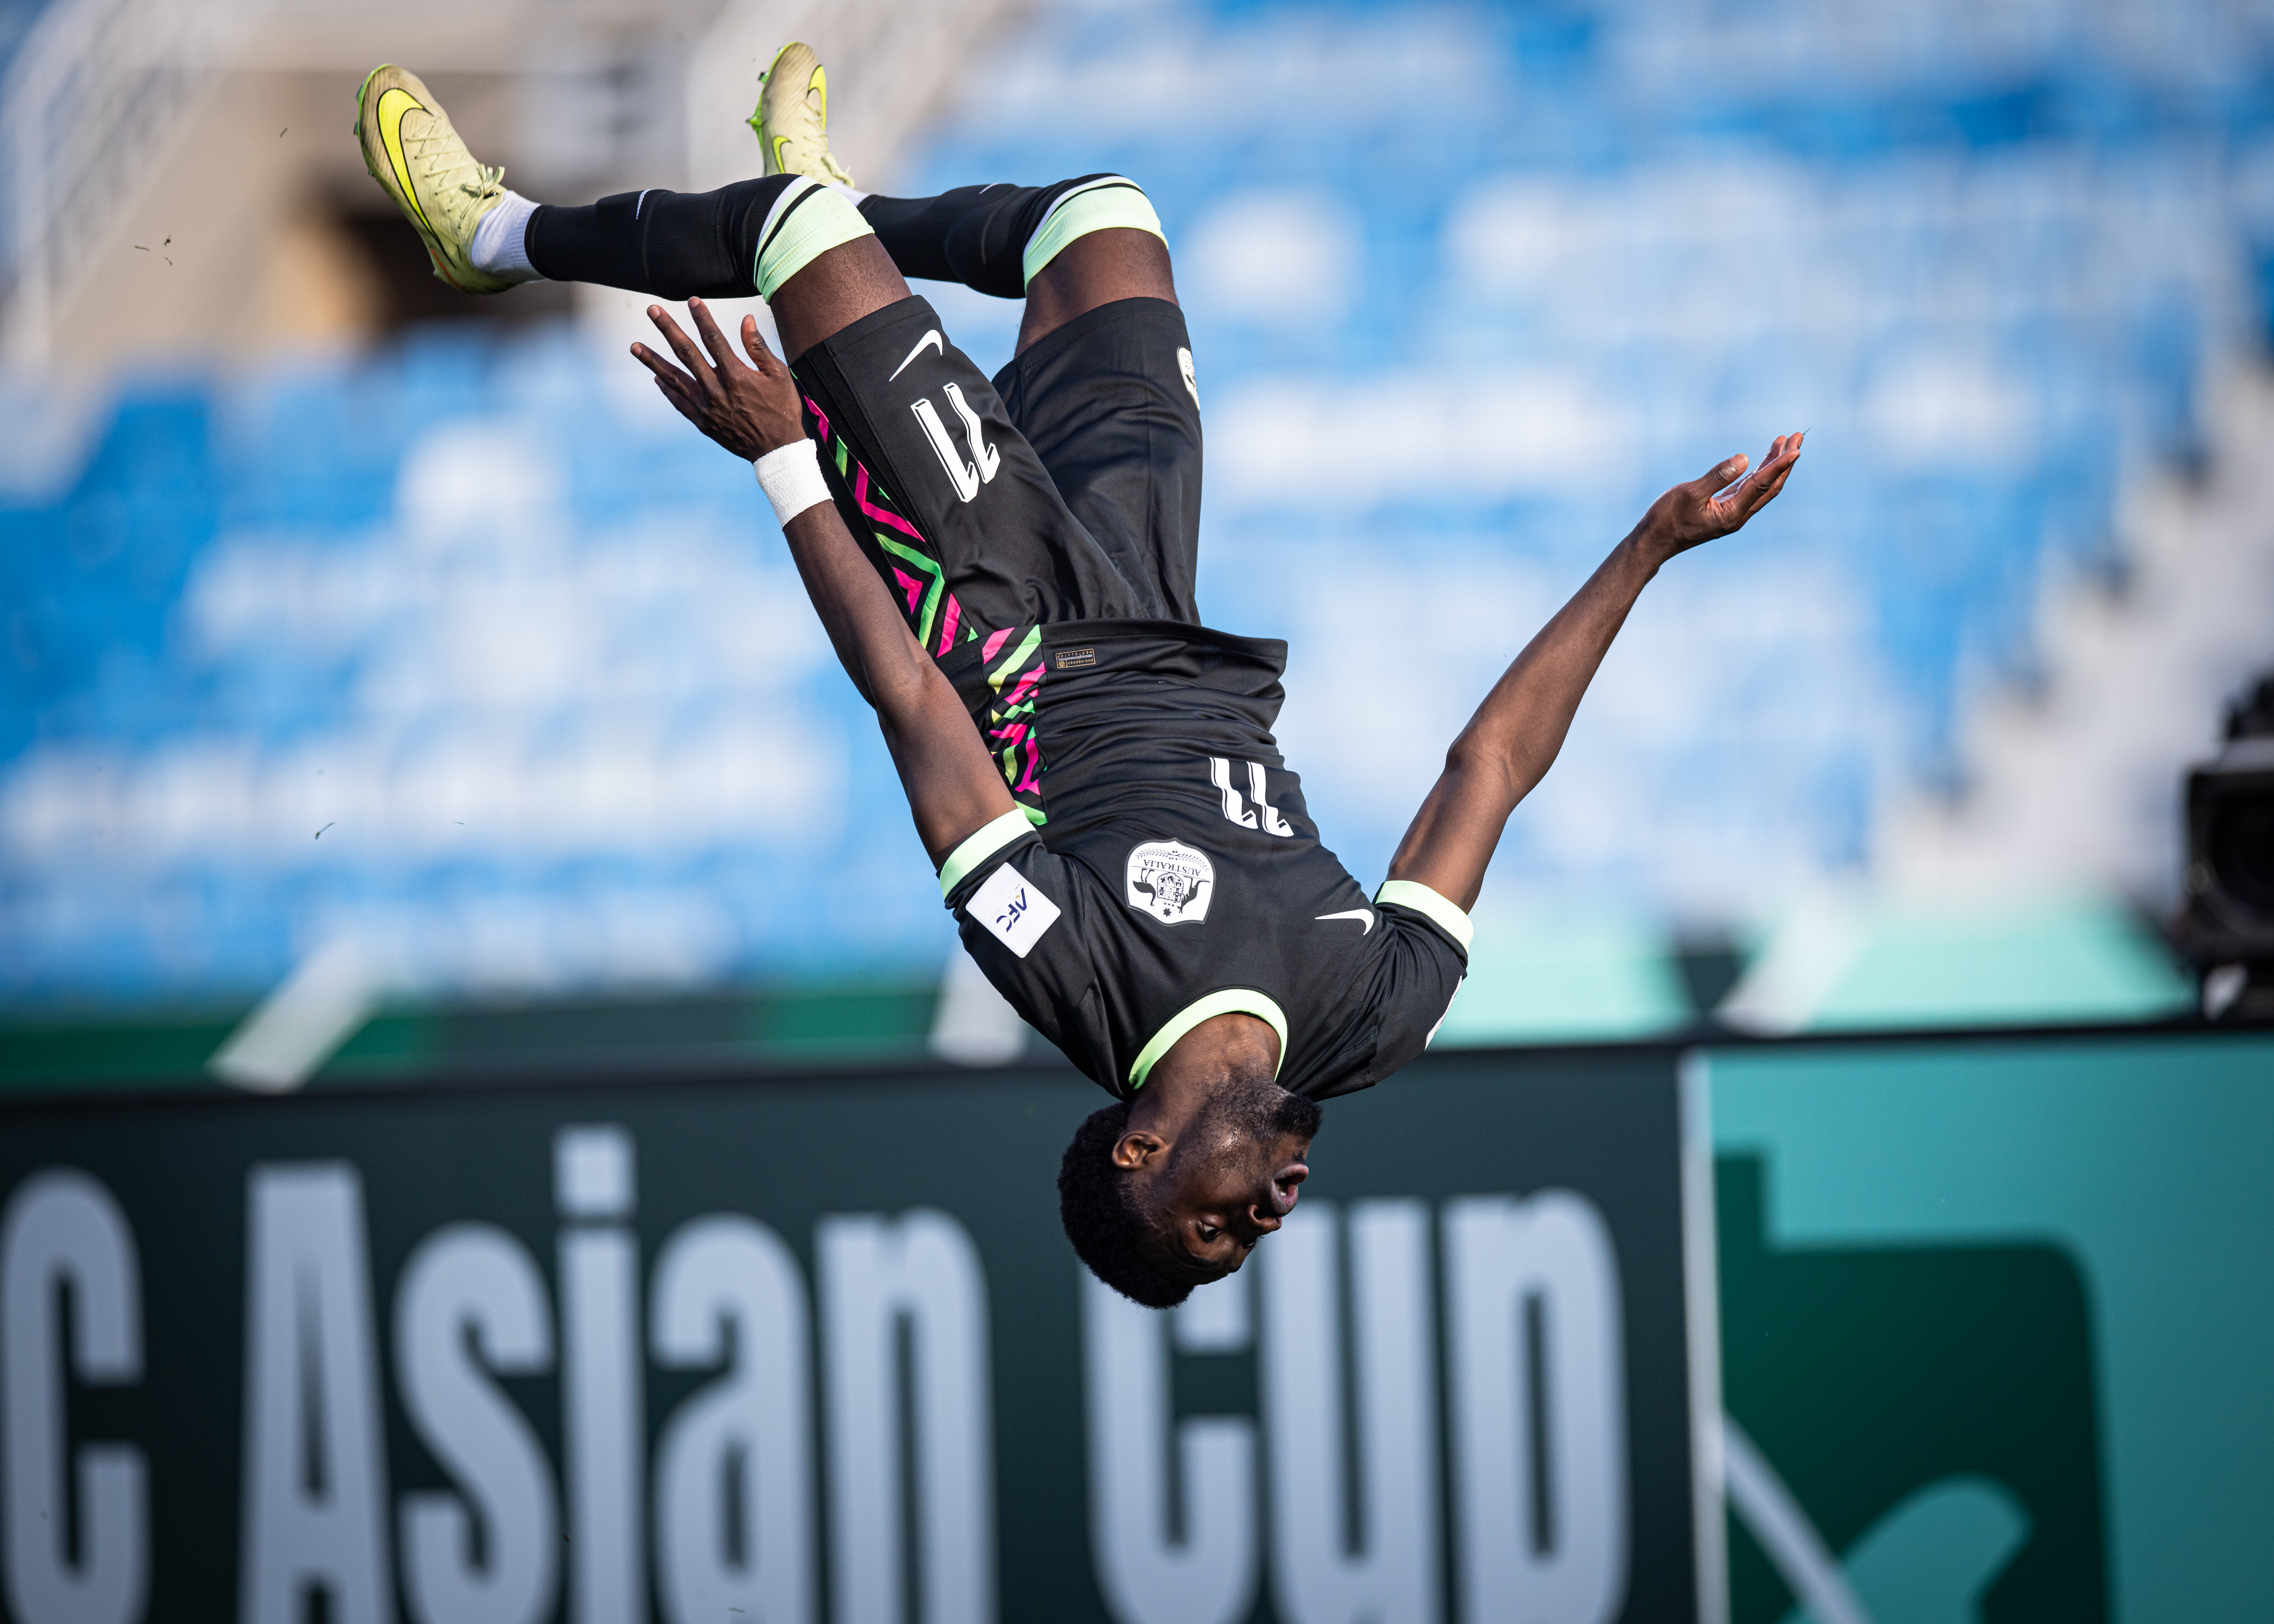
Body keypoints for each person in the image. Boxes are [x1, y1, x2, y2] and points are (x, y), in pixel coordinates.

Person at [353, 47, 1801, 1307]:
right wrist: (1653, 546)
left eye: (1217, 1220)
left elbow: (917, 709)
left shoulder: (1074, 981)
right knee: (1096, 221)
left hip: (1001, 601)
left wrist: (790, 463)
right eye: (1256, 1235)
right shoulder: (1377, 1017)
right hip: (1155, 575)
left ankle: (496, 233)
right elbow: (1490, 766)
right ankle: (848, 207)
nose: (1270, 1211)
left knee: (789, 236)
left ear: (1141, 1150)